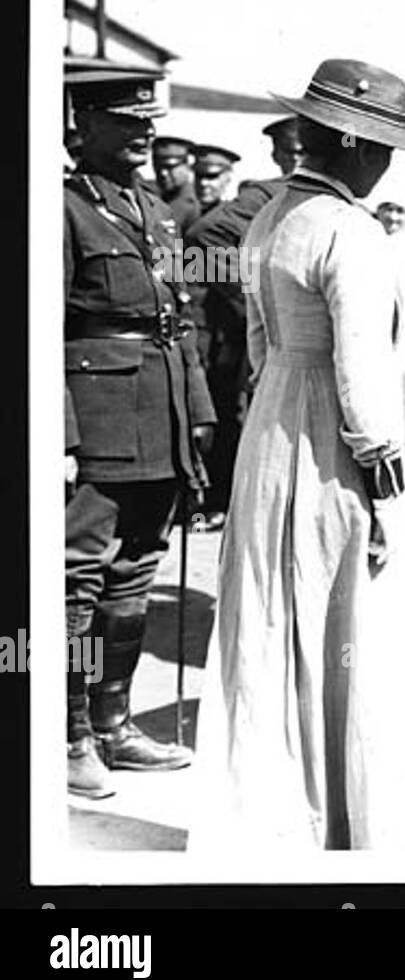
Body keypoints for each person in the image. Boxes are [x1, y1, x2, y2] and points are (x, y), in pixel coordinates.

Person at [189, 59, 405, 851]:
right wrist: (382, 480)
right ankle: (347, 817)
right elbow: (360, 372)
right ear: (346, 140)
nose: (384, 162)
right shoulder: (349, 231)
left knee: (276, 611)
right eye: (378, 145)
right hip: (334, 438)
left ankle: (278, 807)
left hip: (274, 423)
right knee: (356, 616)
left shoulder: (273, 216)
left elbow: (258, 338)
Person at [63, 58, 215, 798]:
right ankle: (69, 736)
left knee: (136, 569)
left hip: (160, 408)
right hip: (95, 416)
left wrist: (201, 411)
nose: (141, 136)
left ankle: (116, 725)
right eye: (125, 124)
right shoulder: (63, 207)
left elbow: (179, 318)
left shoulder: (154, 211)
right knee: (77, 574)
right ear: (82, 126)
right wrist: (58, 435)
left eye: (146, 125)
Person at [183, 122, 303, 529]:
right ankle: (227, 502)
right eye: (294, 152)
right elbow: (204, 235)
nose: (302, 160)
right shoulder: (267, 193)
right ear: (278, 156)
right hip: (246, 333)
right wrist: (252, 293)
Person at [142, 135, 202, 234]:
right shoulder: (147, 193)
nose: (163, 173)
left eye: (170, 167)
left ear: (186, 166)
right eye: (158, 166)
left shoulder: (195, 204)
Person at [191, 144, 240, 214]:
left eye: (211, 177)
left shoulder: (233, 215)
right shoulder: (183, 211)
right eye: (199, 175)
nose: (203, 183)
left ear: (228, 179)